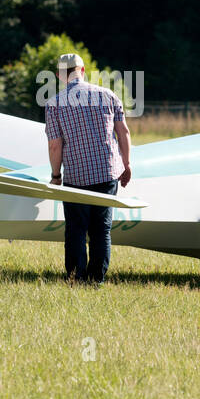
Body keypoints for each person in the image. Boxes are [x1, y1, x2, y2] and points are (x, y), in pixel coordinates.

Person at [45, 53, 132, 284]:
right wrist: (127, 164)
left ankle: (76, 278)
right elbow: (123, 132)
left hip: (76, 177)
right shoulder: (108, 95)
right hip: (107, 173)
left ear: (59, 76)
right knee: (101, 230)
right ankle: (97, 280)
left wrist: (56, 176)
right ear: (82, 71)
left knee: (75, 230)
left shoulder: (54, 103)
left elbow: (55, 145)